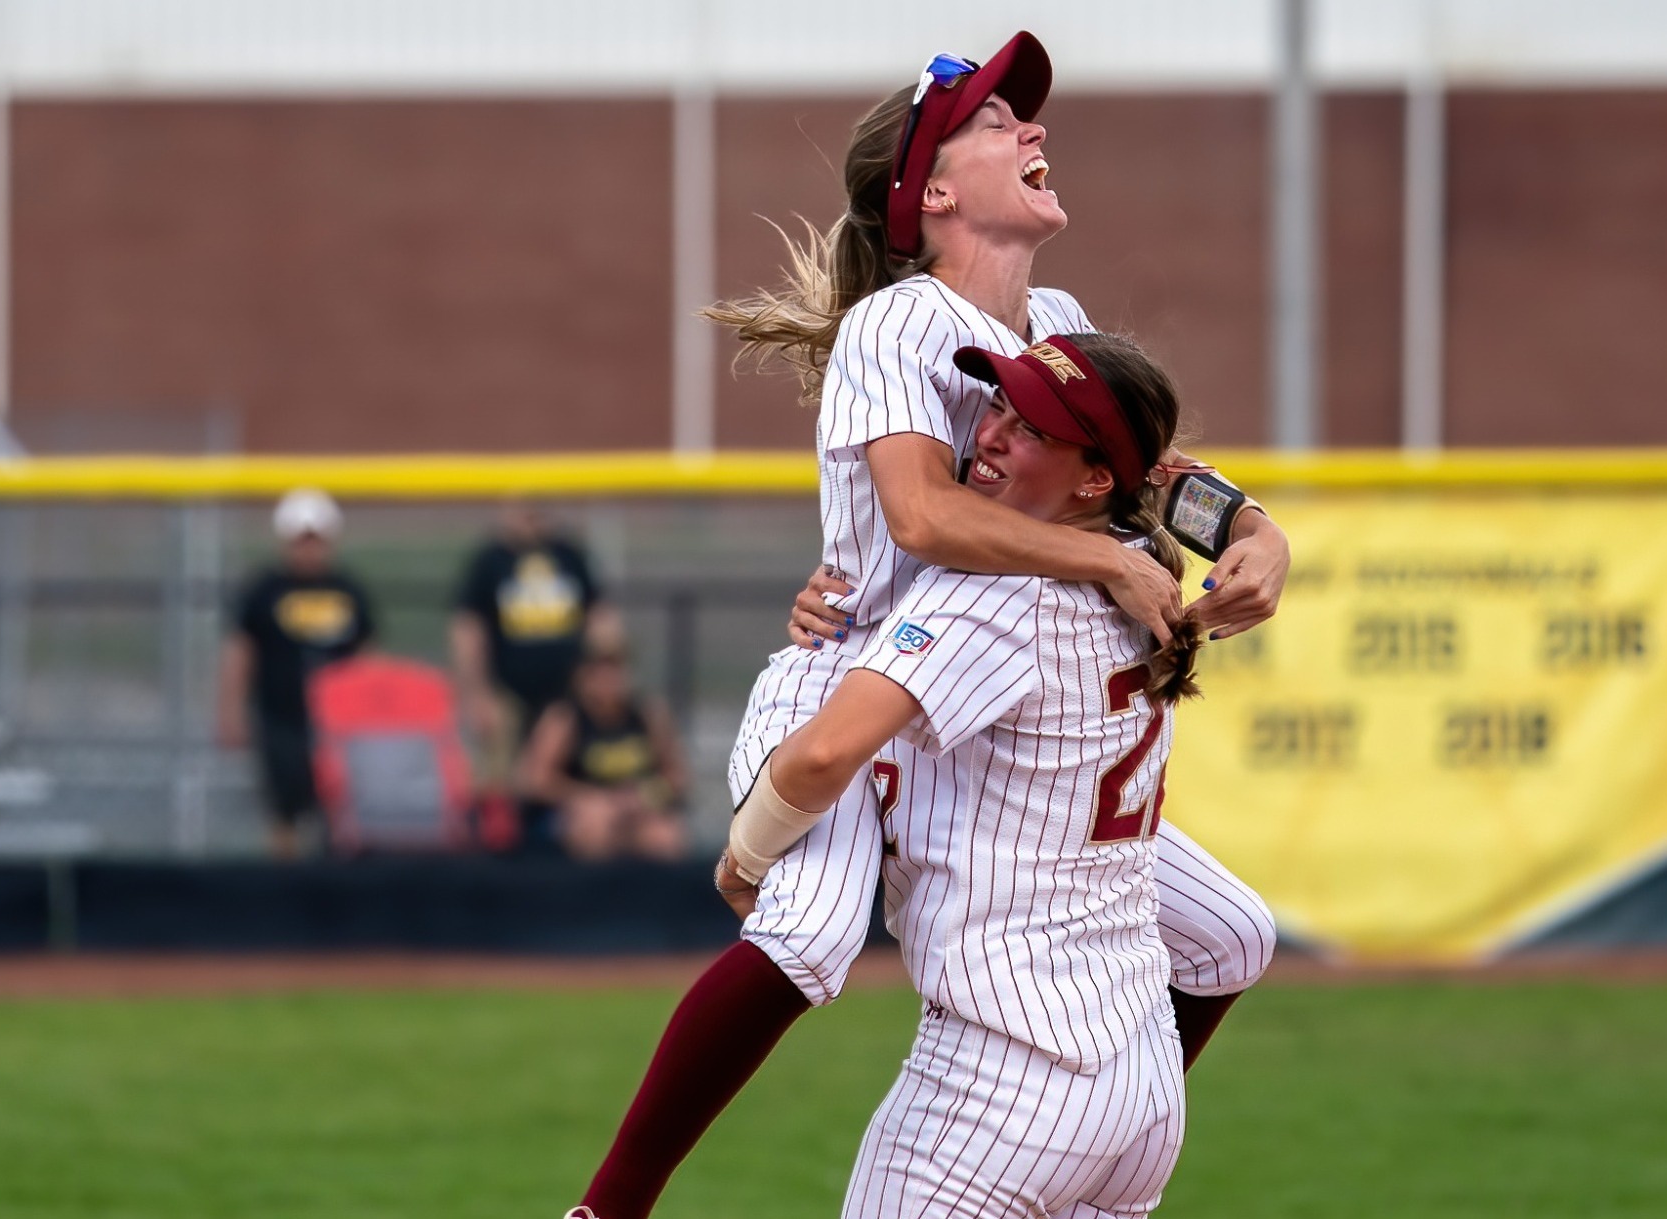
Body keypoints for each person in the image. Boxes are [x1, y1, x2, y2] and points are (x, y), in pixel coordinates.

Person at [569, 33, 1282, 1219]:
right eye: (998, 123)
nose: (1033, 130)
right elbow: (917, 513)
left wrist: (1255, 528)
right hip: (859, 676)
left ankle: (1097, 1107)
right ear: (933, 192)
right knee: (804, 939)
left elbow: (1137, 465)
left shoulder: (1050, 311)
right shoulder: (899, 320)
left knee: (1230, 932)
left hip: (983, 706)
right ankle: (606, 1206)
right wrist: (1103, 562)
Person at [725, 333, 1212, 1216]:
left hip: (1002, 1079)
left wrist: (745, 857)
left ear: (1097, 478)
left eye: (1030, 430)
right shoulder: (1136, 570)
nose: (988, 433)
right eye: (997, 407)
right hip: (1138, 1077)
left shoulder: (997, 597)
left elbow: (824, 753)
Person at [450, 499, 618, 852]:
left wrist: (601, 682)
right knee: (499, 785)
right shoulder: (492, 560)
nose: (531, 517)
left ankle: (557, 853)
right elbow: (469, 631)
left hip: (565, 696)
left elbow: (599, 620)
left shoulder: (568, 556)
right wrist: (477, 695)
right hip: (507, 693)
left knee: (560, 780)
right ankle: (498, 860)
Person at [216, 488, 376, 859]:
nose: (308, 550)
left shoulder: (347, 589)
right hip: (281, 716)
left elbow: (366, 654)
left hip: (338, 723)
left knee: (339, 807)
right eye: (301, 540)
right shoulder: (265, 590)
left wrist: (369, 713)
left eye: (315, 540)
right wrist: (230, 710)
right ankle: (287, 886)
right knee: (285, 809)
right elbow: (241, 652)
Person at [519, 640, 691, 862]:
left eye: (615, 671)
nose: (608, 681)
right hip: (578, 809)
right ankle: (595, 894)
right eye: (599, 673)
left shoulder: (647, 715)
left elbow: (677, 776)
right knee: (596, 824)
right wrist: (588, 797)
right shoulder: (565, 718)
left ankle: (656, 895)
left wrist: (644, 796)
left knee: (665, 835)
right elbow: (534, 780)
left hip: (636, 806)